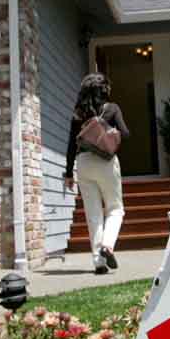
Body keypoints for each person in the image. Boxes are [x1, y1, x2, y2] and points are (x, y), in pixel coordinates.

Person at [64, 73, 131, 275]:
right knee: (115, 208)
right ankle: (108, 246)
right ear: (104, 90)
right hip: (106, 163)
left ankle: (98, 262)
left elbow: (70, 144)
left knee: (93, 213)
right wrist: (108, 131)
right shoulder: (112, 108)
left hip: (83, 163)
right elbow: (125, 134)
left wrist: (68, 173)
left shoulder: (78, 113)